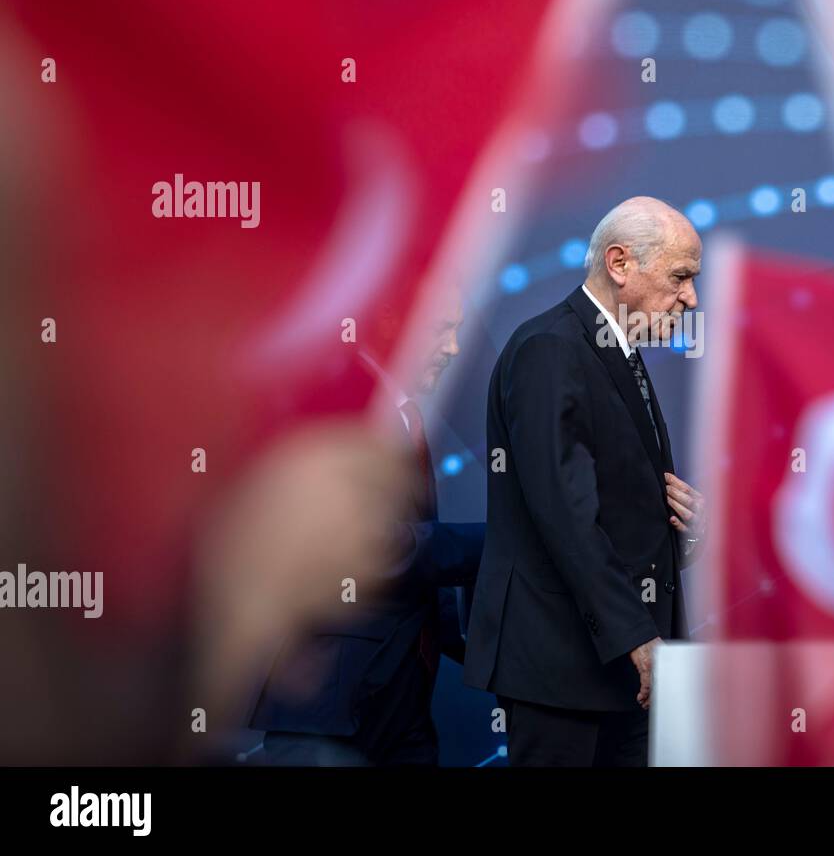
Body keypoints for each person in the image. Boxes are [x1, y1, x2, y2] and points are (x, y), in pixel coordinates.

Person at [464, 196, 707, 766]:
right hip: (567, 669)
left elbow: (616, 515)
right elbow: (566, 515)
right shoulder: (550, 349)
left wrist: (686, 537)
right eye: (680, 277)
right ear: (620, 265)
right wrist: (635, 637)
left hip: (625, 662)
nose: (691, 299)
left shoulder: (613, 350)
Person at [247, 287, 484, 765]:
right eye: (442, 329)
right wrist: (493, 540)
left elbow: (419, 554)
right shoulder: (341, 402)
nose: (454, 347)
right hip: (327, 708)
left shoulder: (405, 415)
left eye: (458, 331)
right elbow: (367, 544)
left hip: (404, 706)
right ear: (393, 323)